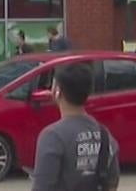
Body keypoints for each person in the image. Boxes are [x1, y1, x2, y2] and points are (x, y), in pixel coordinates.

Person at [31, 62, 118, 191]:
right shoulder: (105, 135)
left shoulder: (52, 136)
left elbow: (42, 187)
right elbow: (112, 184)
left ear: (57, 91)